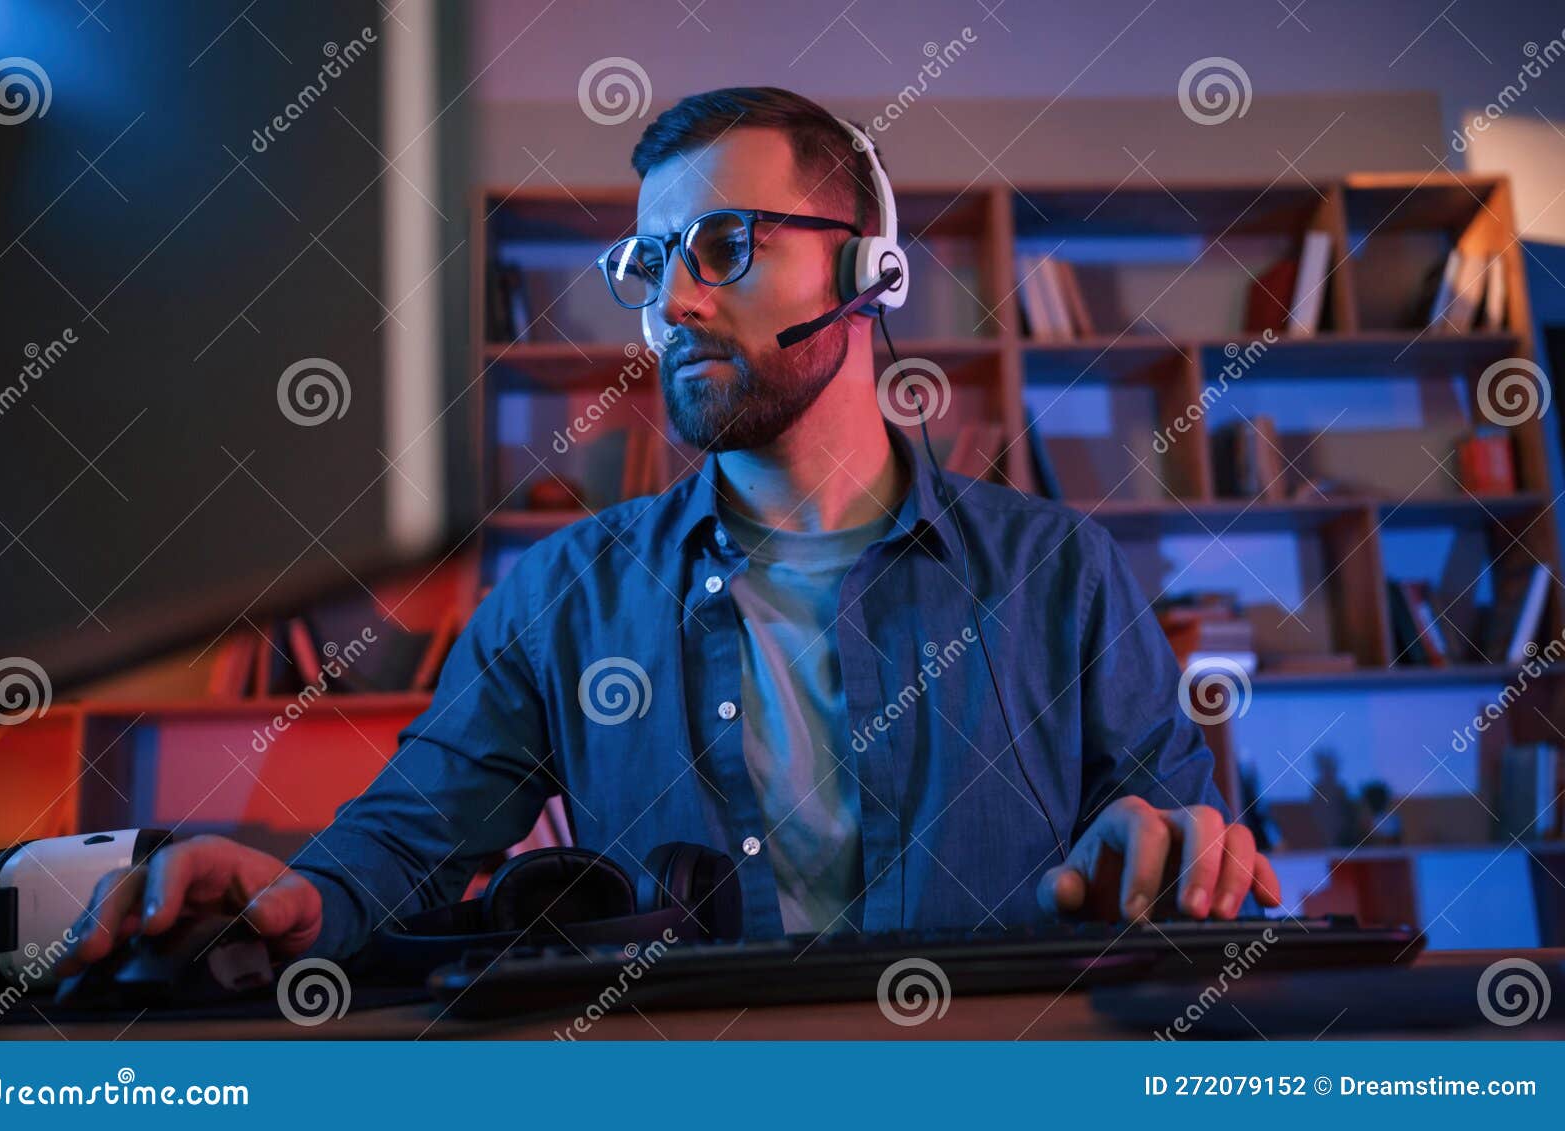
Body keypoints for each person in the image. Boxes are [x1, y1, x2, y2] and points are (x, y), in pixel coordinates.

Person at [63, 86, 1278, 975]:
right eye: (650, 262)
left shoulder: (1056, 575)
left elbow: (1186, 858)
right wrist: (296, 896)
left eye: (724, 246)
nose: (674, 300)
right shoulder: (563, 595)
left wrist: (1171, 850)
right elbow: (406, 842)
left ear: (867, 270)